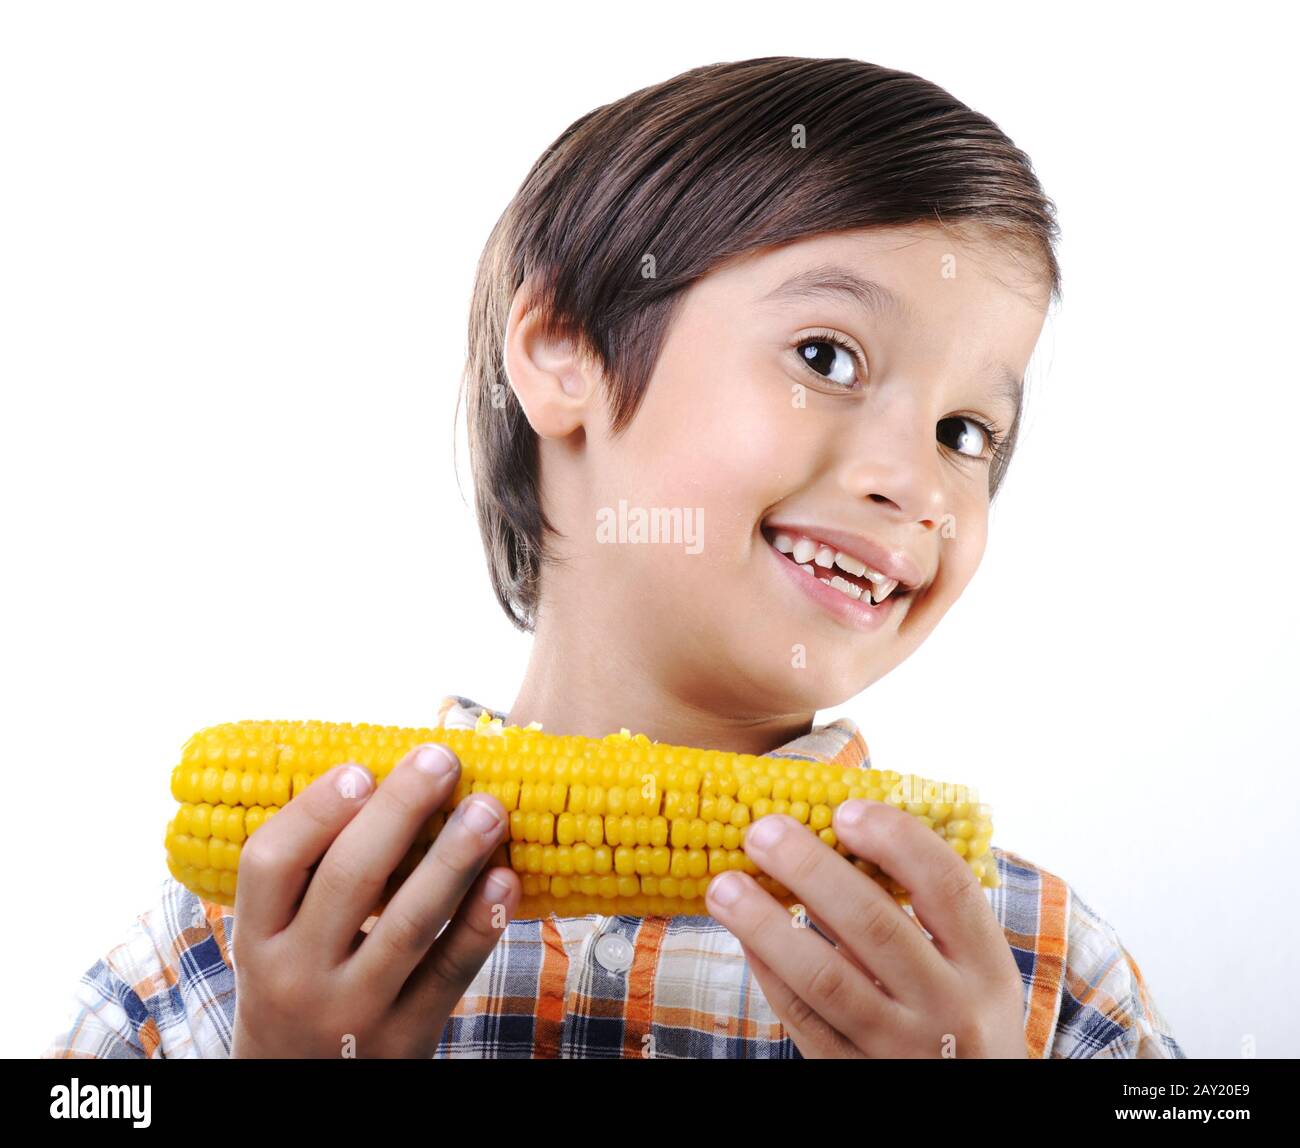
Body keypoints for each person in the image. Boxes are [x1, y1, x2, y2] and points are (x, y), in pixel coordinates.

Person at [42, 56, 1185, 1059]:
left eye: (966, 432)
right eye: (828, 355)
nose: (917, 479)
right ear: (560, 351)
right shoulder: (252, 920)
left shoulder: (1029, 966)